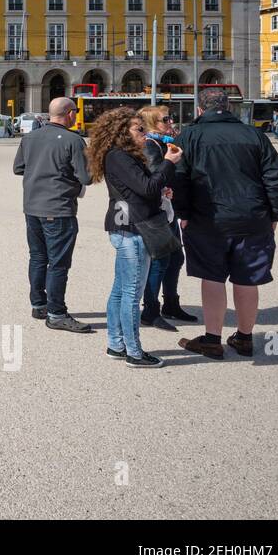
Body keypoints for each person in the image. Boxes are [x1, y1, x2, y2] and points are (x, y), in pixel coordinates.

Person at [173, 88, 278, 360]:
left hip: (207, 219)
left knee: (212, 277)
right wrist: (276, 214)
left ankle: (212, 339)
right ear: (229, 107)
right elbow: (276, 179)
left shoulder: (189, 136)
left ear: (200, 109)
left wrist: (183, 213)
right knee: (248, 278)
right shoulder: (254, 135)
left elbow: (179, 179)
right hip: (253, 218)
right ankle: (244, 337)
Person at [87, 107, 182, 368]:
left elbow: (143, 188)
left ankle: (116, 344)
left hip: (126, 225)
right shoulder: (120, 156)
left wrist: (161, 188)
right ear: (122, 133)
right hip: (133, 229)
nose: (144, 132)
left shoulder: (121, 156)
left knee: (120, 290)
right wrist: (169, 164)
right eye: (139, 129)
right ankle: (134, 352)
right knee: (130, 293)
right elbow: (147, 187)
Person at [12, 96, 93, 333]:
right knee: (58, 263)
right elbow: (86, 177)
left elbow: (18, 168)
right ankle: (57, 313)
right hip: (58, 208)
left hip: (32, 208)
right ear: (69, 113)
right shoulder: (73, 140)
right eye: (75, 113)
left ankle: (39, 304)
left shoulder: (30, 137)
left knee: (38, 257)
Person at [137, 105, 194, 329]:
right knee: (161, 260)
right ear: (151, 124)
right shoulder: (150, 145)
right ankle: (151, 310)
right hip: (157, 212)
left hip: (167, 209)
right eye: (165, 119)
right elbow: (155, 178)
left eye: (170, 118)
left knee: (176, 258)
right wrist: (168, 182)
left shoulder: (162, 143)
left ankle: (171, 303)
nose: (171, 122)